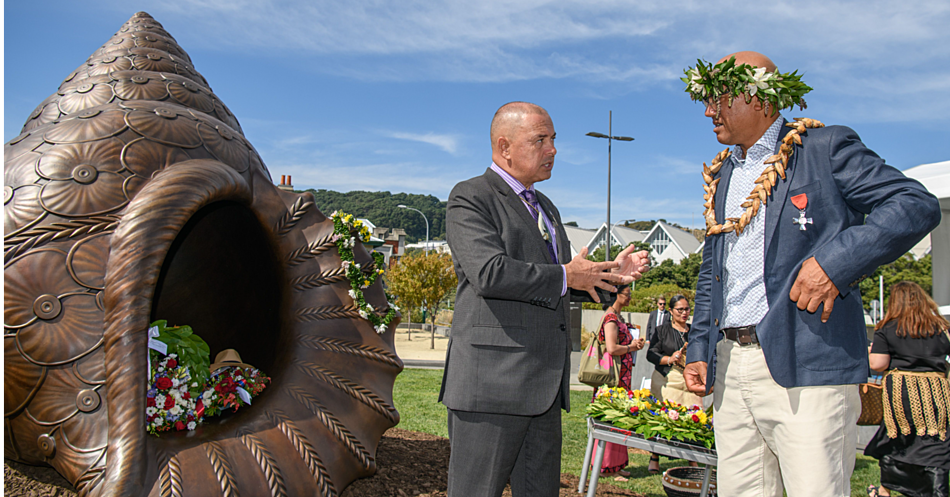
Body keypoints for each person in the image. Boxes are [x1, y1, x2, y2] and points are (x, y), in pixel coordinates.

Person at [680, 51, 942, 497]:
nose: (708, 111)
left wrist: (834, 265)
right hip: (730, 367)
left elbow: (914, 204)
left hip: (809, 363)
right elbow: (714, 270)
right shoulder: (723, 174)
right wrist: (700, 347)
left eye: (719, 99)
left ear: (757, 98)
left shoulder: (823, 148)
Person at [439, 101, 651, 497]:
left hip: (543, 388)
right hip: (491, 386)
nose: (553, 149)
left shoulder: (546, 208)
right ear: (504, 147)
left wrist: (610, 277)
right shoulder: (470, 196)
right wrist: (567, 274)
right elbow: (490, 272)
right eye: (541, 139)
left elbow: (557, 284)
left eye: (554, 139)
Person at [864, 281, 950, 497]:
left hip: (903, 393)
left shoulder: (888, 327)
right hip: (935, 392)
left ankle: (886, 489)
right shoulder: (940, 327)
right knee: (934, 439)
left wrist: (870, 351)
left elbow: (878, 364)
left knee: (899, 437)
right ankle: (935, 488)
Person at [589, 284, 645, 478]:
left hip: (622, 377)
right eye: (626, 294)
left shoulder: (619, 317)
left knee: (619, 419)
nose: (629, 297)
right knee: (610, 419)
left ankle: (616, 465)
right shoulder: (611, 318)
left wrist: (633, 345)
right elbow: (612, 348)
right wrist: (631, 348)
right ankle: (604, 467)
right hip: (612, 379)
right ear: (616, 295)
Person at [646, 294, 702, 473]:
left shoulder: (693, 331)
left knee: (691, 417)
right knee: (664, 418)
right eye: (680, 310)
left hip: (689, 382)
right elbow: (651, 354)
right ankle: (654, 456)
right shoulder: (662, 330)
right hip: (667, 379)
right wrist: (669, 358)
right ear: (671, 311)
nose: (684, 313)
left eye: (687, 309)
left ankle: (692, 459)